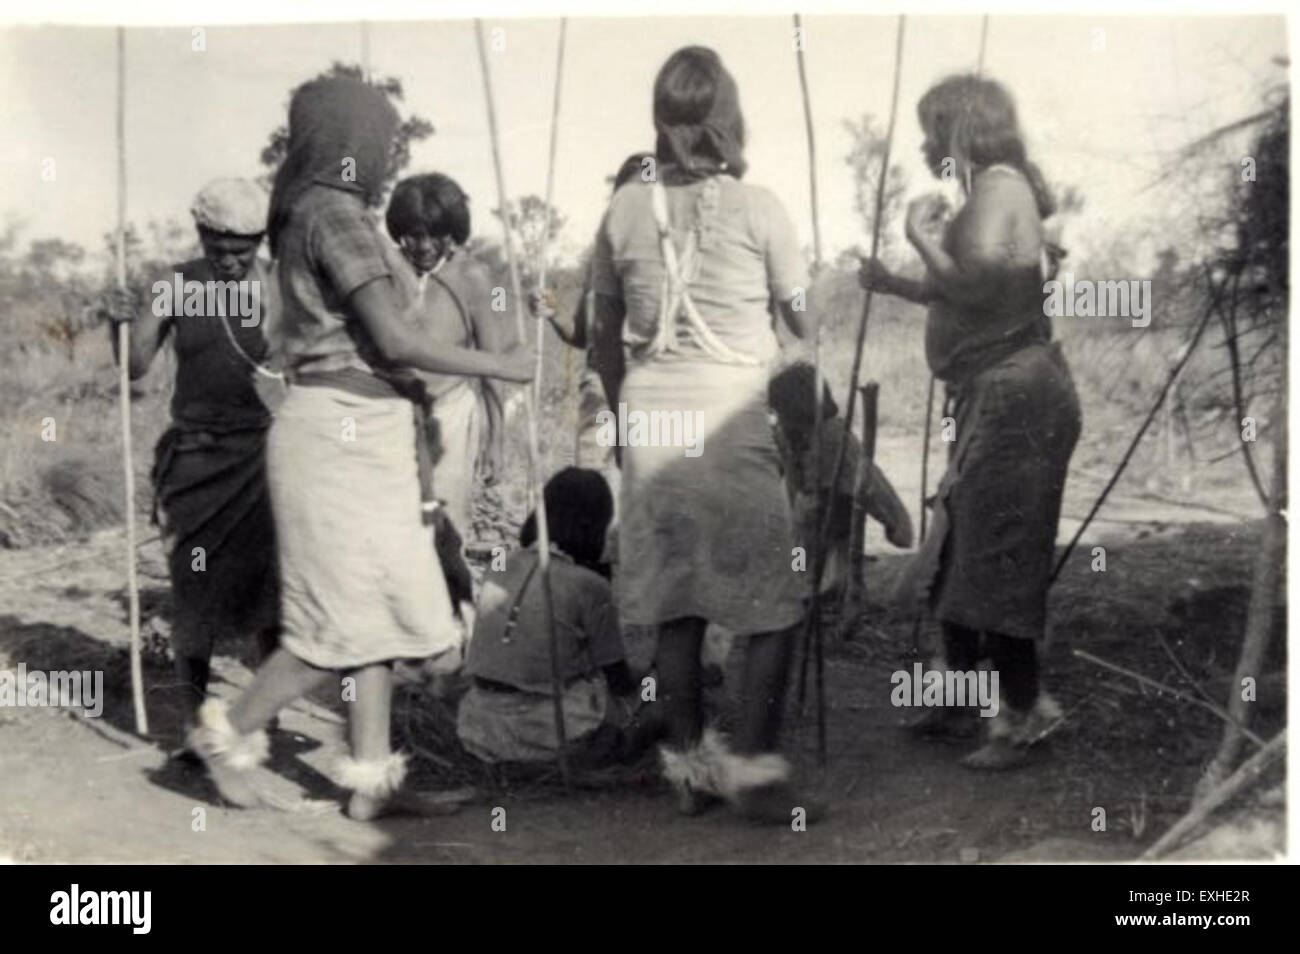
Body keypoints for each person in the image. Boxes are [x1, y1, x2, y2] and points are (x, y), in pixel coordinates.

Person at [184, 76, 534, 819]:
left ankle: (369, 785)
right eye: (379, 139)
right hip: (338, 434)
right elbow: (396, 340)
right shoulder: (333, 214)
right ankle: (224, 735)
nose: (382, 155)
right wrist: (502, 364)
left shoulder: (316, 211)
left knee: (371, 617)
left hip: (362, 433)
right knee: (330, 626)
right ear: (351, 141)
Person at [587, 46, 821, 821]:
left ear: (659, 119)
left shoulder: (624, 210)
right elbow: (801, 322)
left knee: (677, 607)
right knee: (773, 606)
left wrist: (627, 426)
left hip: (652, 416)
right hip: (727, 413)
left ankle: (692, 775)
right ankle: (755, 774)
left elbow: (602, 339)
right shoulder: (760, 207)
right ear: (729, 117)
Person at [858, 75, 1081, 770]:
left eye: (932, 131)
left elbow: (977, 286)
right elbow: (965, 291)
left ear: (961, 130)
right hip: (996, 394)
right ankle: (960, 695)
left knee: (997, 558)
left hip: (1015, 399)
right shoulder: (991, 191)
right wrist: (893, 282)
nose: (926, 146)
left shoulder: (998, 189)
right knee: (959, 550)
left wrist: (916, 237)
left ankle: (1023, 717)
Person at [104, 178, 281, 742]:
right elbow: (134, 366)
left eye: (241, 249)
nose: (229, 259)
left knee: (272, 592)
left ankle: (264, 715)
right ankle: (193, 719)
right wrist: (117, 323)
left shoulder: (280, 287)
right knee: (194, 587)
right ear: (201, 234)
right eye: (217, 247)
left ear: (260, 240)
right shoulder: (175, 285)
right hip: (197, 460)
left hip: (266, 457)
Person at [456, 468, 639, 766]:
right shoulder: (590, 585)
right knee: (652, 701)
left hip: (478, 729)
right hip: (550, 732)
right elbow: (619, 680)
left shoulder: (500, 566)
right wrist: (652, 673)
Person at [385, 173, 508, 542]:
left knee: (444, 528)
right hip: (394, 415)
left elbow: (493, 365)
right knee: (394, 524)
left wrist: (496, 439)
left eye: (434, 235)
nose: (423, 246)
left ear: (452, 232)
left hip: (450, 416)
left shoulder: (472, 276)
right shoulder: (387, 271)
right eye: (413, 235)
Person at [529, 152, 654, 479]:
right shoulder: (602, 260)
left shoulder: (678, 264)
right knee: (591, 484)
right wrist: (553, 313)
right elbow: (583, 335)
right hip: (601, 387)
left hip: (654, 386)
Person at [767, 361, 914, 599]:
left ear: (797, 410)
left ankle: (829, 581)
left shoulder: (834, 439)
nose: (778, 419)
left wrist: (896, 524)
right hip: (802, 523)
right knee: (799, 540)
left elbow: (872, 485)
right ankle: (802, 576)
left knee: (822, 543)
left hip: (834, 517)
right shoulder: (785, 435)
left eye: (781, 412)